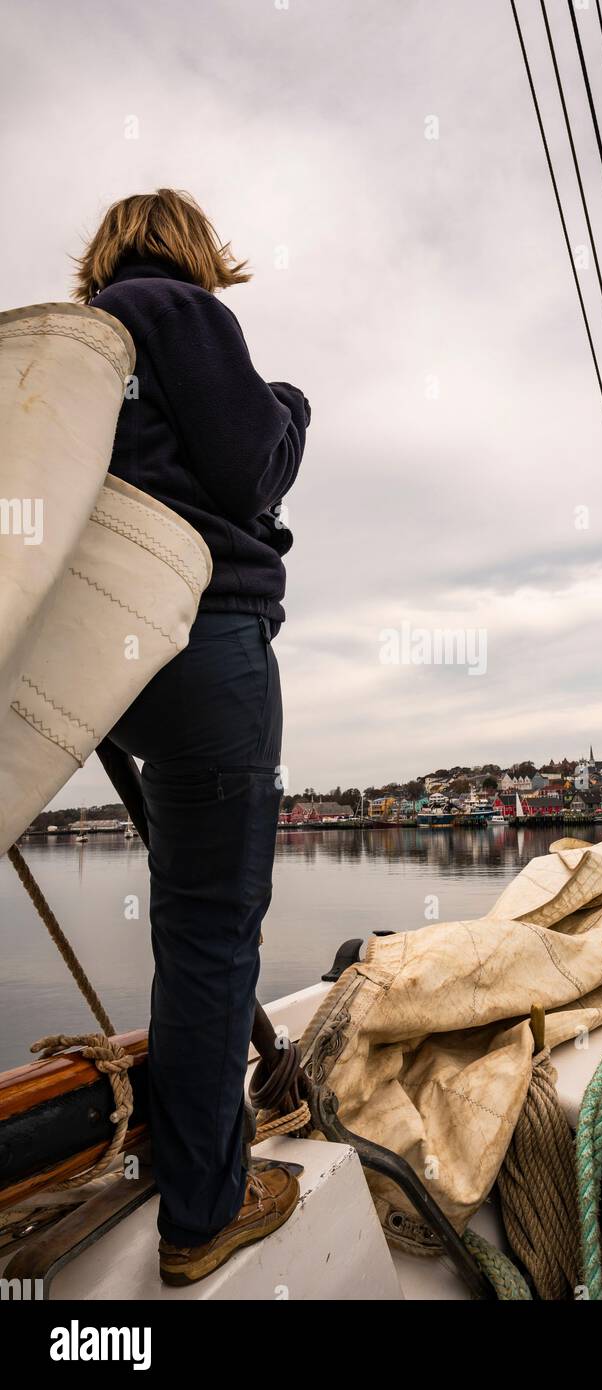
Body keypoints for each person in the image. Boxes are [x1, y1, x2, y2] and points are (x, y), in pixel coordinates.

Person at [73, 188, 310, 1286]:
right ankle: (204, 1214)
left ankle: (189, 1157)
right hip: (204, 642)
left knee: (187, 924)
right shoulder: (178, 312)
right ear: (187, 249)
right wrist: (292, 407)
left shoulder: (83, 348)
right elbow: (250, 465)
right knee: (214, 932)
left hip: (108, 664)